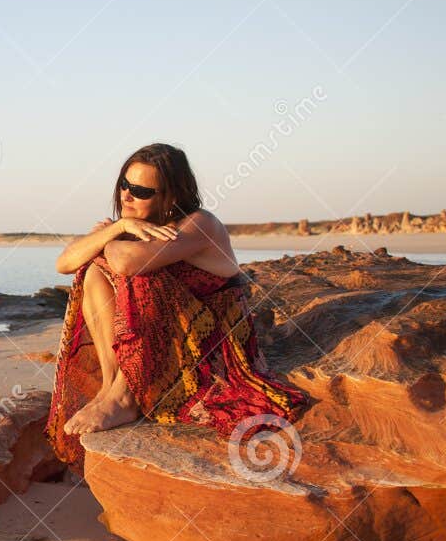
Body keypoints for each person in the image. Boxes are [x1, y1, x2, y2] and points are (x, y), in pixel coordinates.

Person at [46, 143, 307, 458]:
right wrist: (119, 228)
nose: (126, 196)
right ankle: (111, 385)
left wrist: (112, 236)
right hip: (173, 340)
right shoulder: (140, 228)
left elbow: (128, 264)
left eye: (140, 190)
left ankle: (126, 398)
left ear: (170, 196)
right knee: (91, 273)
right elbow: (65, 263)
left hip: (212, 348)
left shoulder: (200, 223)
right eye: (124, 185)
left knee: (139, 275)